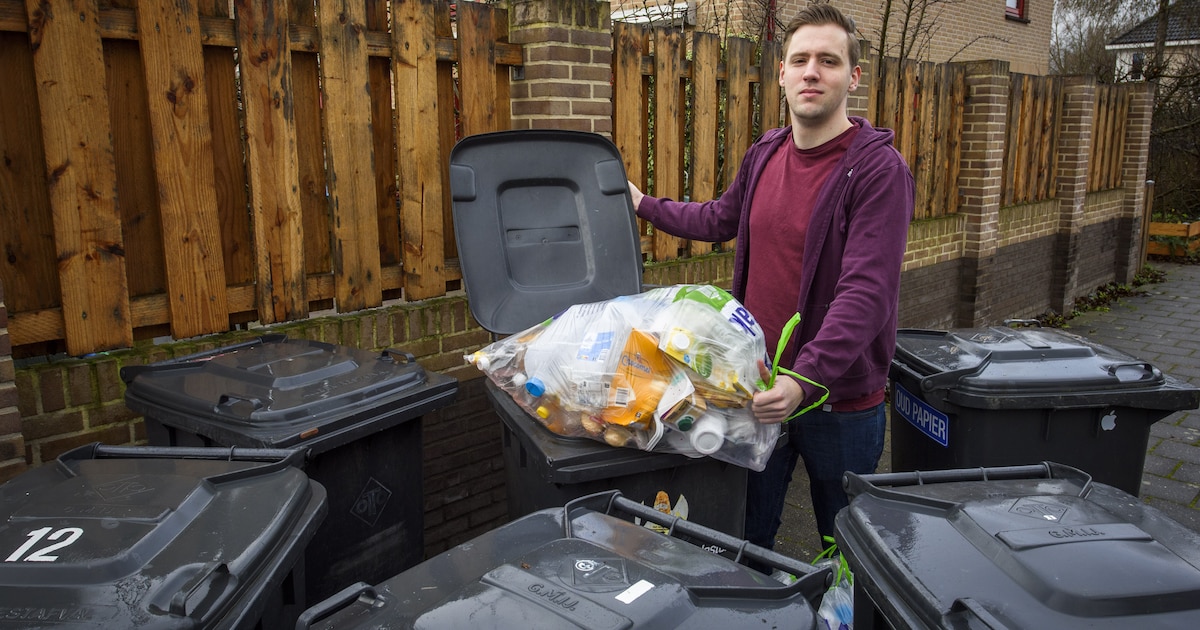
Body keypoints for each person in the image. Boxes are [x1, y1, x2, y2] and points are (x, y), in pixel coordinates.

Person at [627, 3, 914, 555]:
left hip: (839, 403)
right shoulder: (766, 153)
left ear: (853, 77)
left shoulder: (878, 171)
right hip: (756, 389)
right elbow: (719, 218)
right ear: (780, 72)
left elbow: (866, 295)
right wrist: (645, 205)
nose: (812, 72)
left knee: (847, 551)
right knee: (746, 537)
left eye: (828, 61)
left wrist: (803, 380)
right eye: (799, 59)